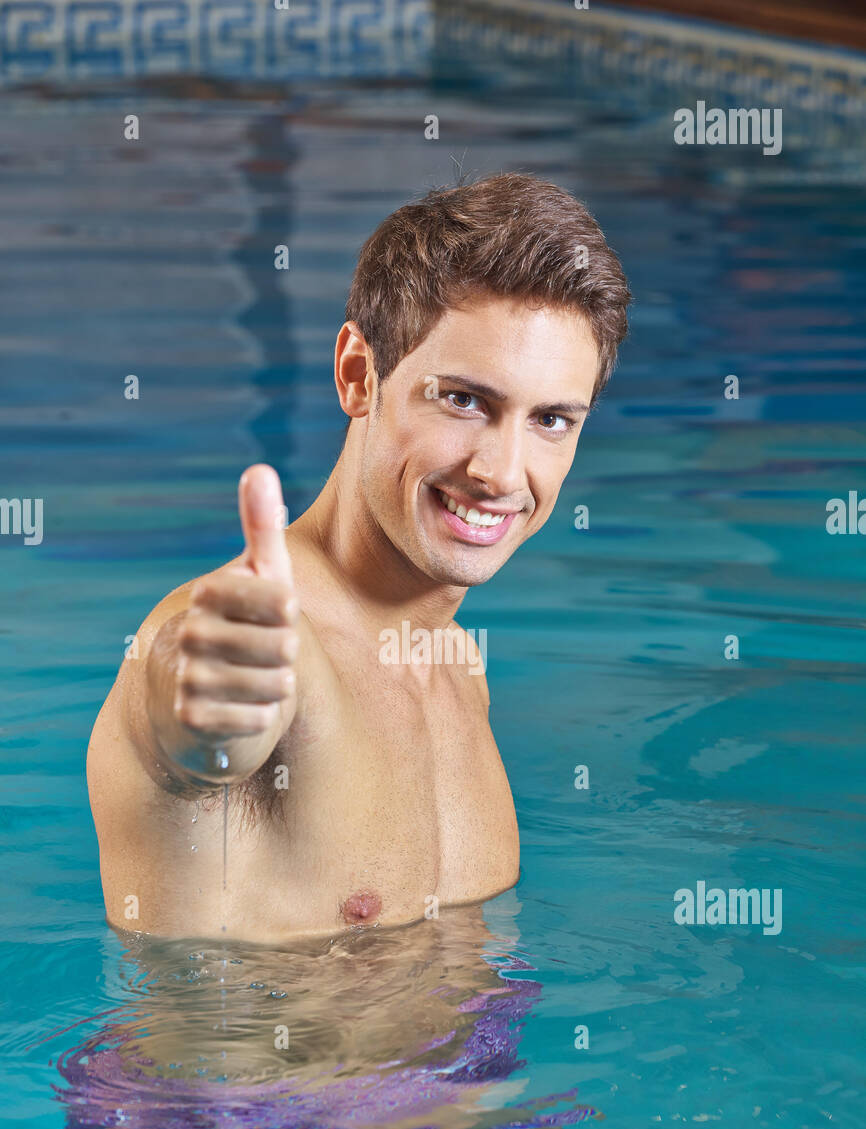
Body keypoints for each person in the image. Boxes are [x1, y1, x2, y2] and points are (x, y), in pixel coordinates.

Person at [87, 172, 630, 940]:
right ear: (357, 375)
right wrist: (206, 707)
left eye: (549, 419)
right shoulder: (256, 643)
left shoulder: (458, 669)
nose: (503, 473)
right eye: (464, 400)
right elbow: (192, 717)